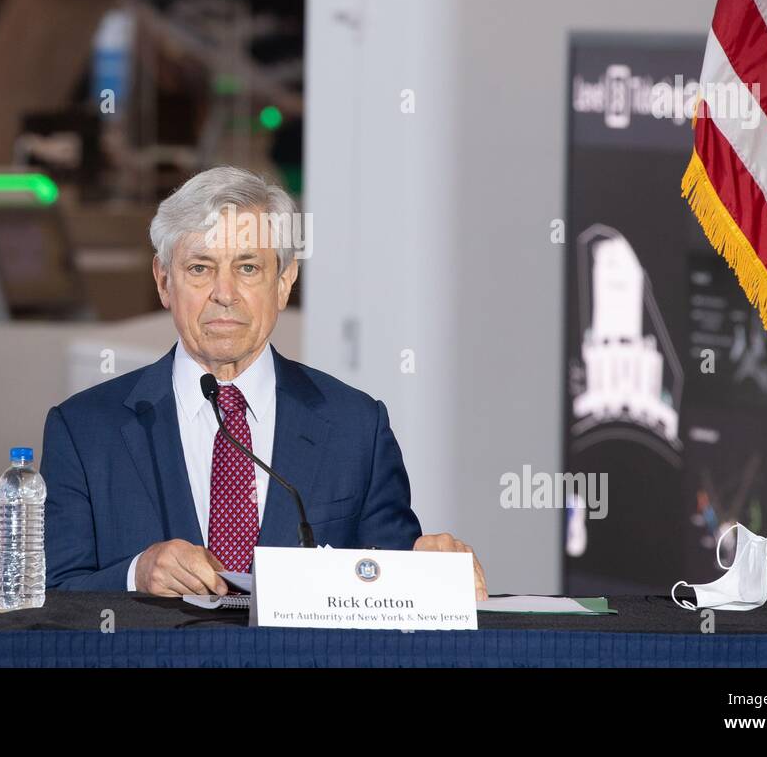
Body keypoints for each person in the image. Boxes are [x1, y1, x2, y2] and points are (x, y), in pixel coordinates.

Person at [42, 166, 487, 598]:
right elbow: (46, 600)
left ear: (284, 282)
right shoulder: (83, 430)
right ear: (163, 282)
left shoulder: (357, 427)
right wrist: (136, 574)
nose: (224, 293)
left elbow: (391, 591)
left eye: (248, 268)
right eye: (199, 268)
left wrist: (434, 574)